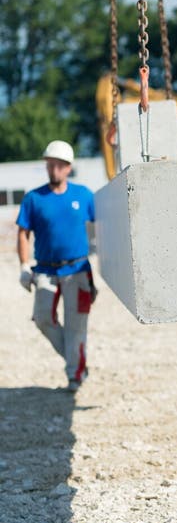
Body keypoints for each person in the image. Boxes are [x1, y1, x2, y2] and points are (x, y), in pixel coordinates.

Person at [17, 140, 96, 393]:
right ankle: (77, 362)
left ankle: (74, 374)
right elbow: (23, 233)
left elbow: (103, 225)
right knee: (42, 318)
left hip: (78, 271)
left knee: (76, 326)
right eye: (50, 165)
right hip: (45, 270)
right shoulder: (33, 199)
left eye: (59, 165)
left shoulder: (84, 195)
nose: (54, 170)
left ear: (68, 167)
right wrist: (24, 266)